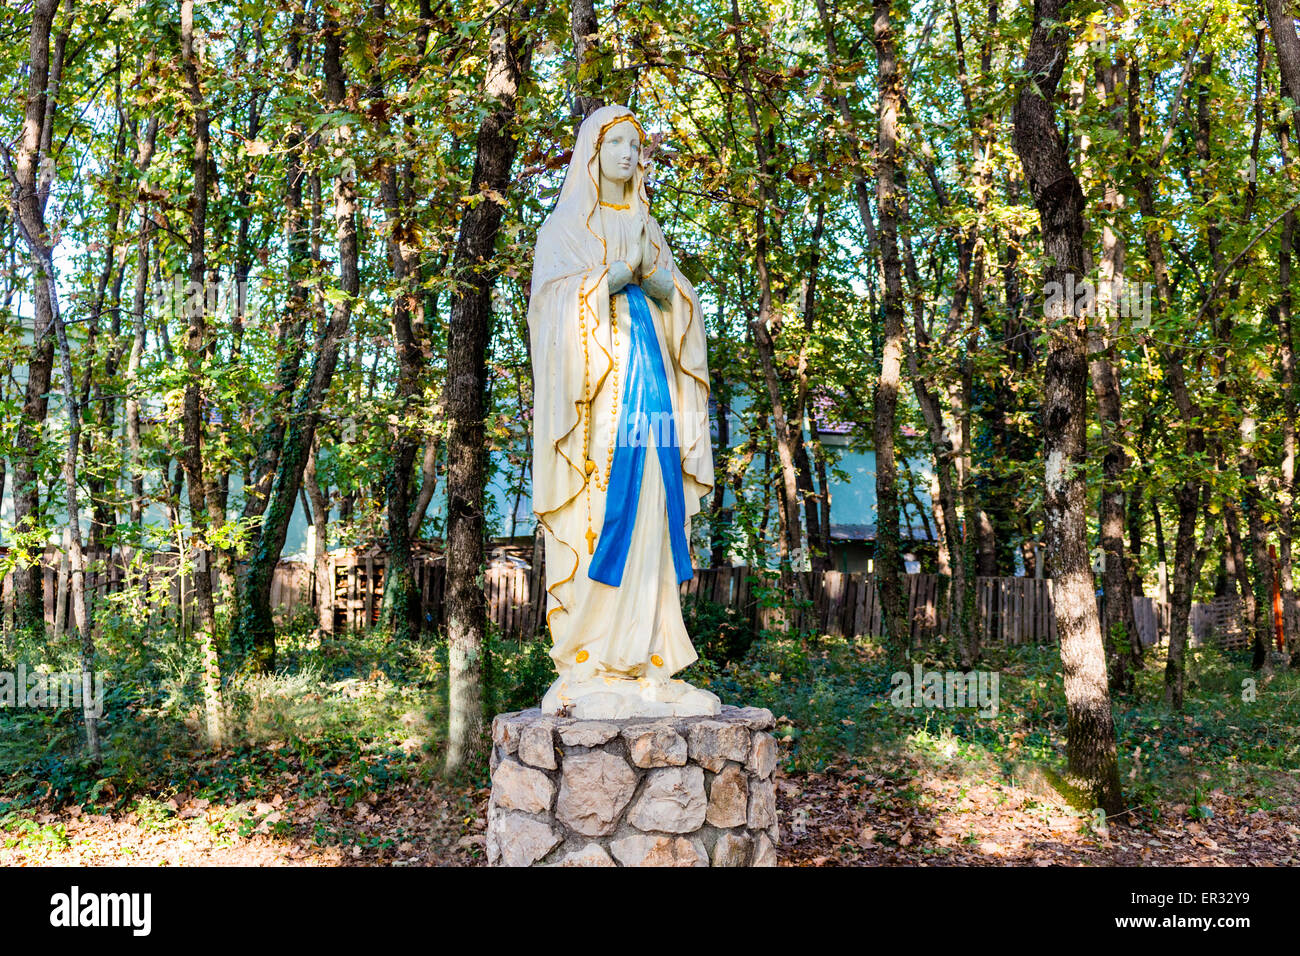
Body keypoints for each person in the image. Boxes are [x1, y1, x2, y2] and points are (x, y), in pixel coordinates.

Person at [527, 104, 719, 718]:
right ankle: (590, 661)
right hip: (597, 412)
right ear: (592, 154)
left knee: (652, 515)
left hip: (654, 395)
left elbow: (682, 302)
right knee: (603, 511)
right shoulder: (562, 232)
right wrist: (609, 275)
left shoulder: (649, 225)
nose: (632, 156)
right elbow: (547, 312)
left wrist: (659, 283)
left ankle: (649, 662)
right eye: (619, 144)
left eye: (639, 146)